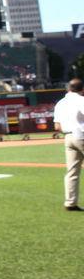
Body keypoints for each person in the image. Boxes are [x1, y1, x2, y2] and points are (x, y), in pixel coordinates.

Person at [54, 78, 84, 211]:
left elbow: (57, 126)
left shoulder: (60, 103)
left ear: (68, 88)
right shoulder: (81, 100)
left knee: (72, 172)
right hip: (81, 135)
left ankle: (70, 202)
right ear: (82, 89)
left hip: (68, 137)